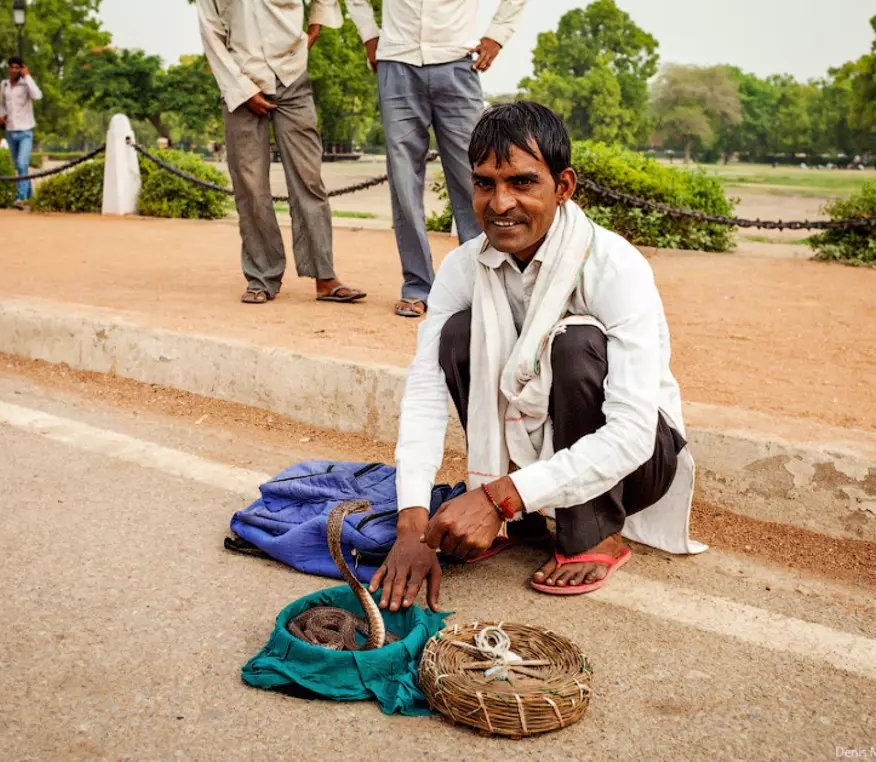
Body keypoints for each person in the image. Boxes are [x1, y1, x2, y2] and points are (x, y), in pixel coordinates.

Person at [370, 102, 700, 612]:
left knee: (574, 342)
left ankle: (595, 533)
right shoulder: (464, 268)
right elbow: (427, 390)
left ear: (562, 187)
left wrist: (496, 496)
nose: (501, 203)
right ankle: (522, 524)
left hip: (641, 464)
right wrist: (411, 523)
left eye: (522, 183)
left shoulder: (613, 266)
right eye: (485, 183)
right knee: (457, 334)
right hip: (536, 452)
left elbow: (633, 434)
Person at [343, 0, 527, 318]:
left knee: (475, 178)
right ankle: (417, 285)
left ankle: (484, 283)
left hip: (458, 61)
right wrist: (368, 34)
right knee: (402, 181)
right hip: (397, 62)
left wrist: (498, 33)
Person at [196, 0, 366, 306]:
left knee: (308, 178)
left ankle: (325, 277)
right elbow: (210, 31)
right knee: (250, 185)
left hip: (292, 76)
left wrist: (316, 25)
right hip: (241, 79)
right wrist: (242, 89)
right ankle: (262, 277)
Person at [0, 56, 42, 209]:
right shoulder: (4, 85)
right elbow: (2, 104)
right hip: (11, 130)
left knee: (23, 164)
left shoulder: (26, 85)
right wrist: (1, 116)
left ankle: (21, 198)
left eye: (18, 68)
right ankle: (29, 197)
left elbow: (37, 95)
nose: (15, 70)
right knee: (19, 167)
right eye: (13, 67)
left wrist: (27, 75)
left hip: (26, 131)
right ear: (9, 68)